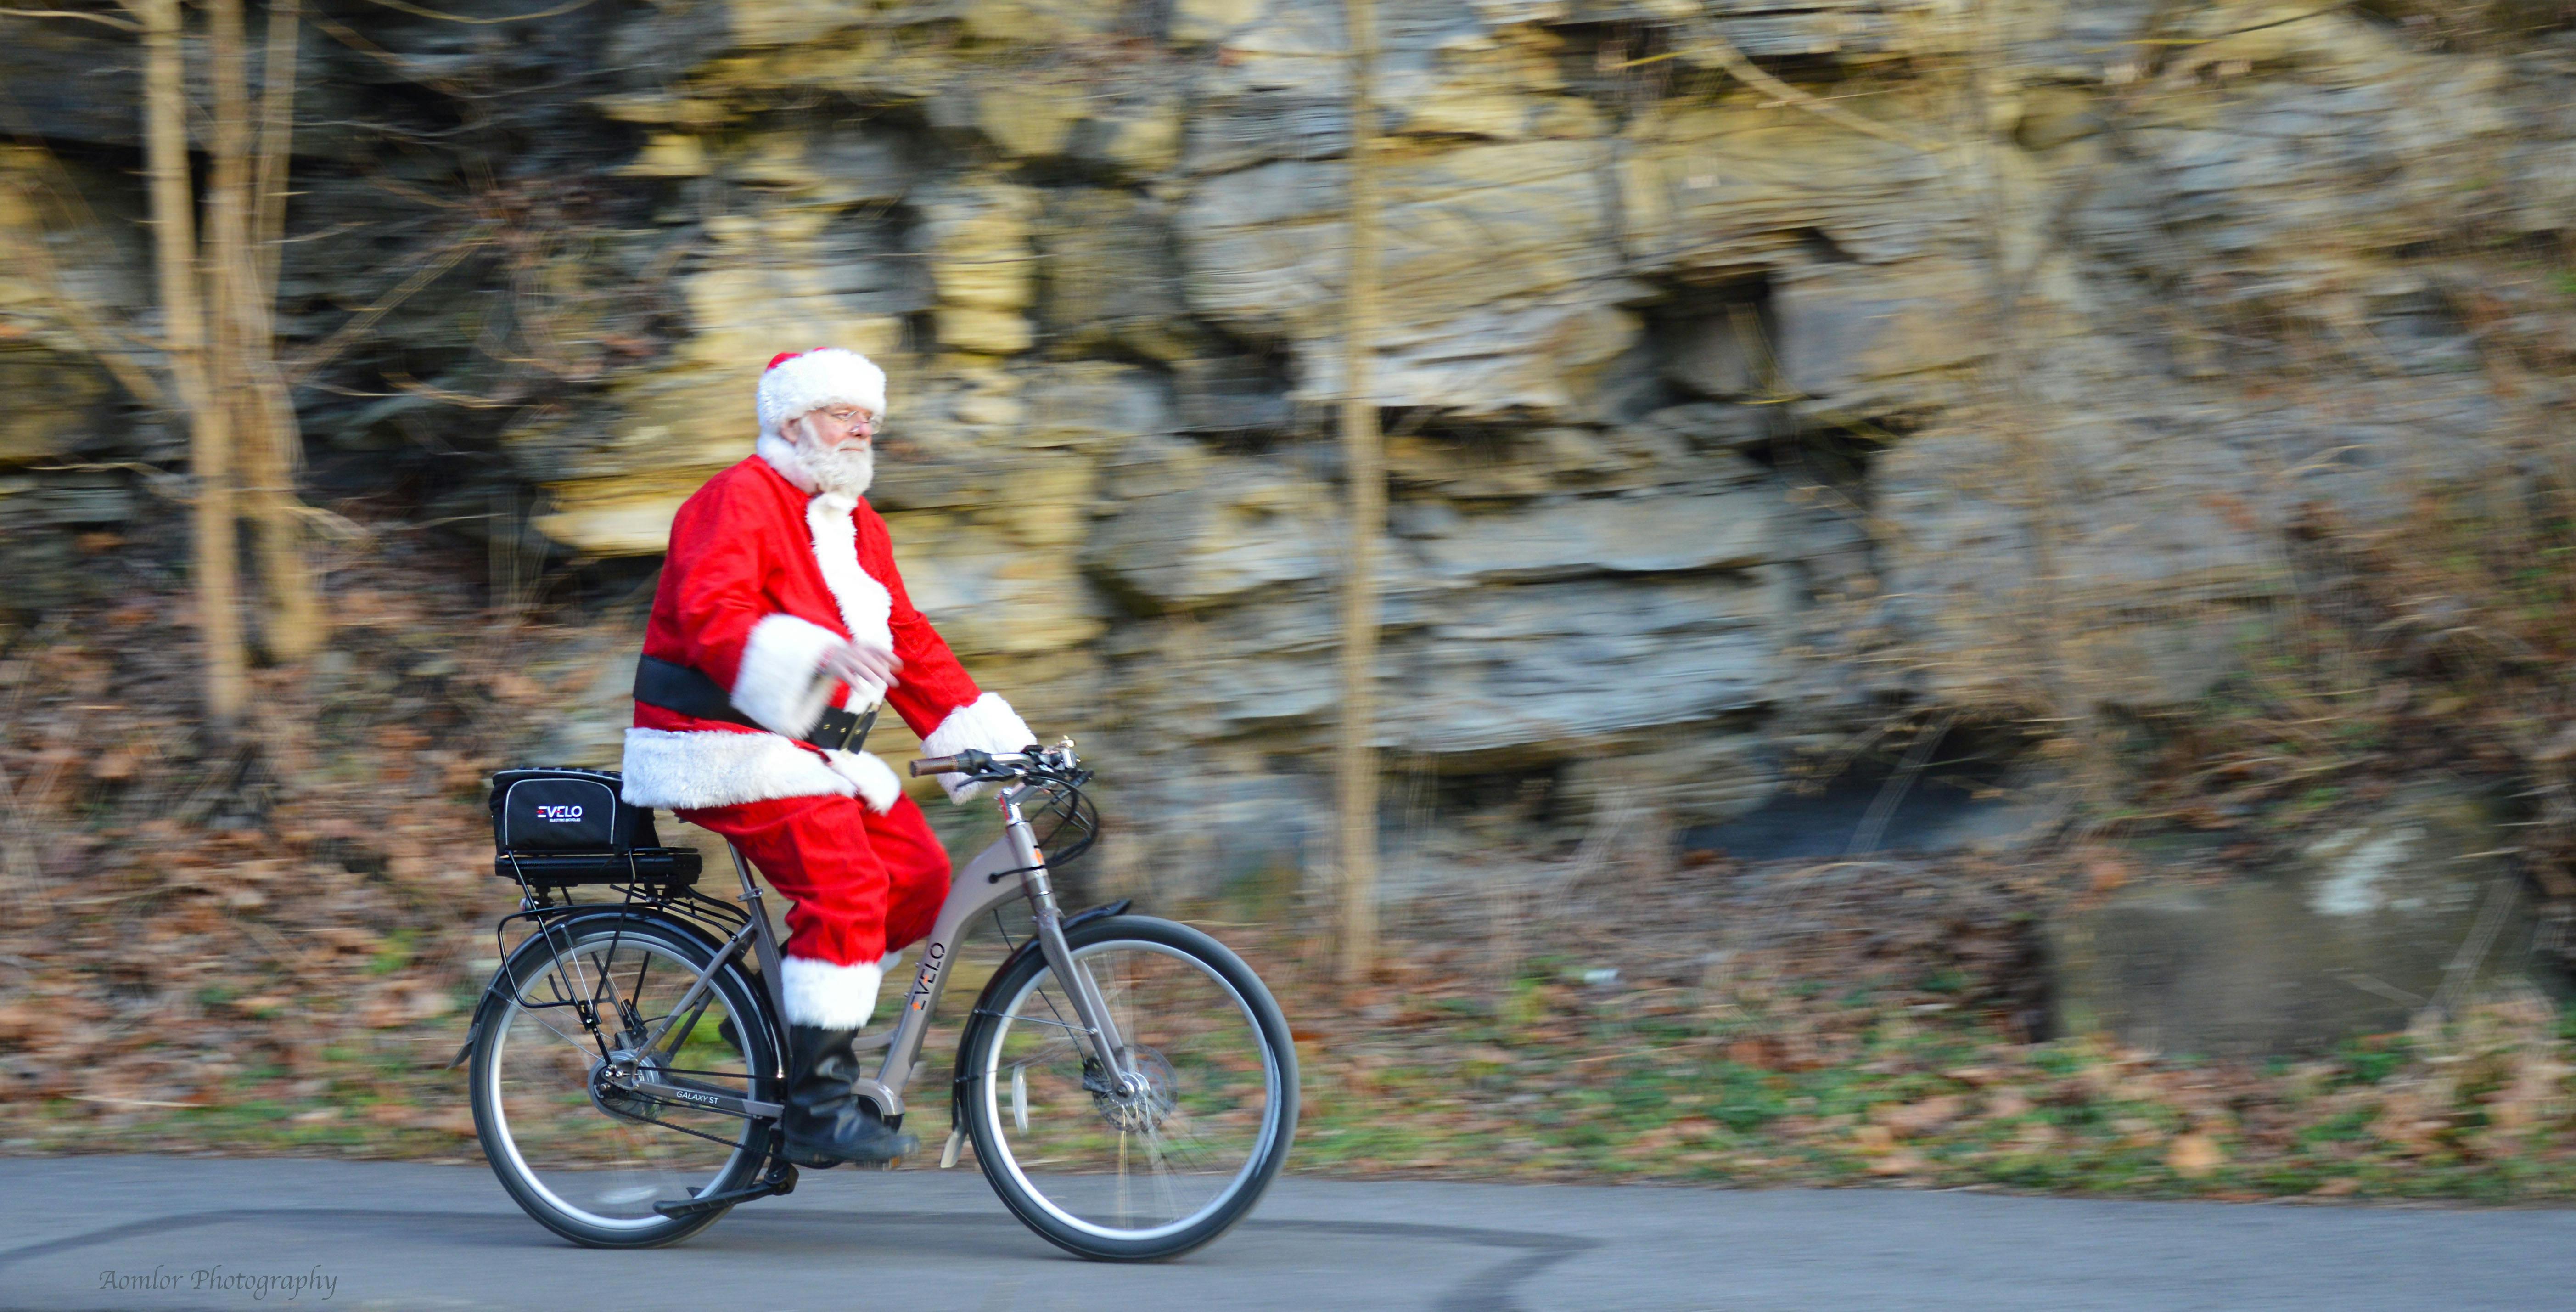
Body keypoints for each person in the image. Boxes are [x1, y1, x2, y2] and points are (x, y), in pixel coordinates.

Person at [618, 347, 1036, 1166]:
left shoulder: (854, 522)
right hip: (715, 747)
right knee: (846, 884)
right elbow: (712, 614)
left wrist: (999, 747)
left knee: (915, 876)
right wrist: (812, 654)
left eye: (870, 418)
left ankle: (807, 1028)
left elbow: (908, 641)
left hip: (804, 752)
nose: (863, 429)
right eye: (847, 413)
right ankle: (813, 1107)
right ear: (792, 417)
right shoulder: (734, 497)